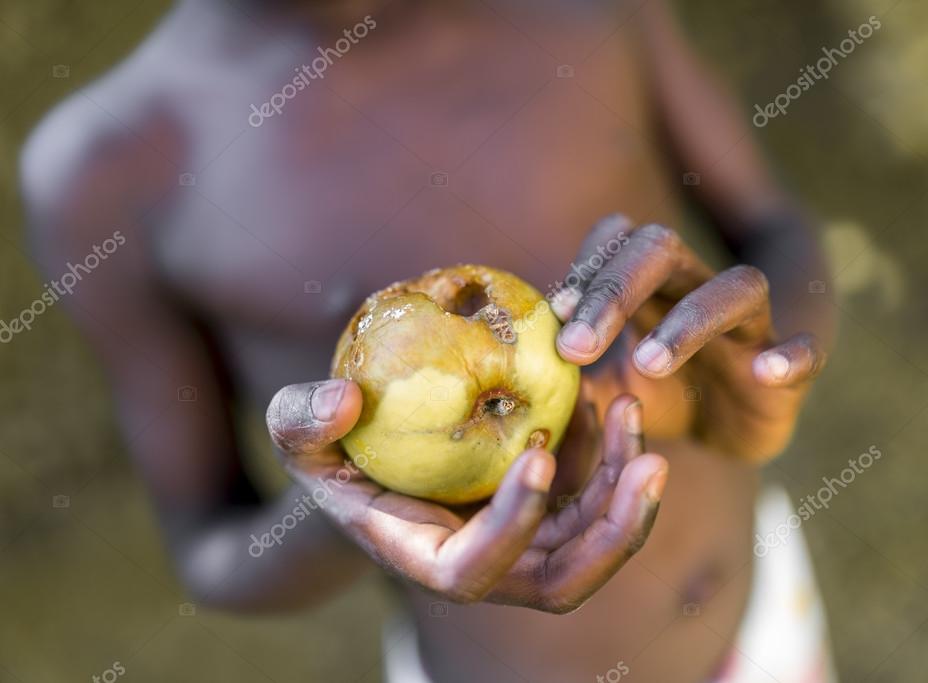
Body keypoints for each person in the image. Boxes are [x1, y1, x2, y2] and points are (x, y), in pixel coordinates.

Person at [19, 0, 835, 680]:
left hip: (766, 626)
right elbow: (209, 549)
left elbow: (773, 227)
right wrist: (346, 507)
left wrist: (766, 373)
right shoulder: (112, 170)